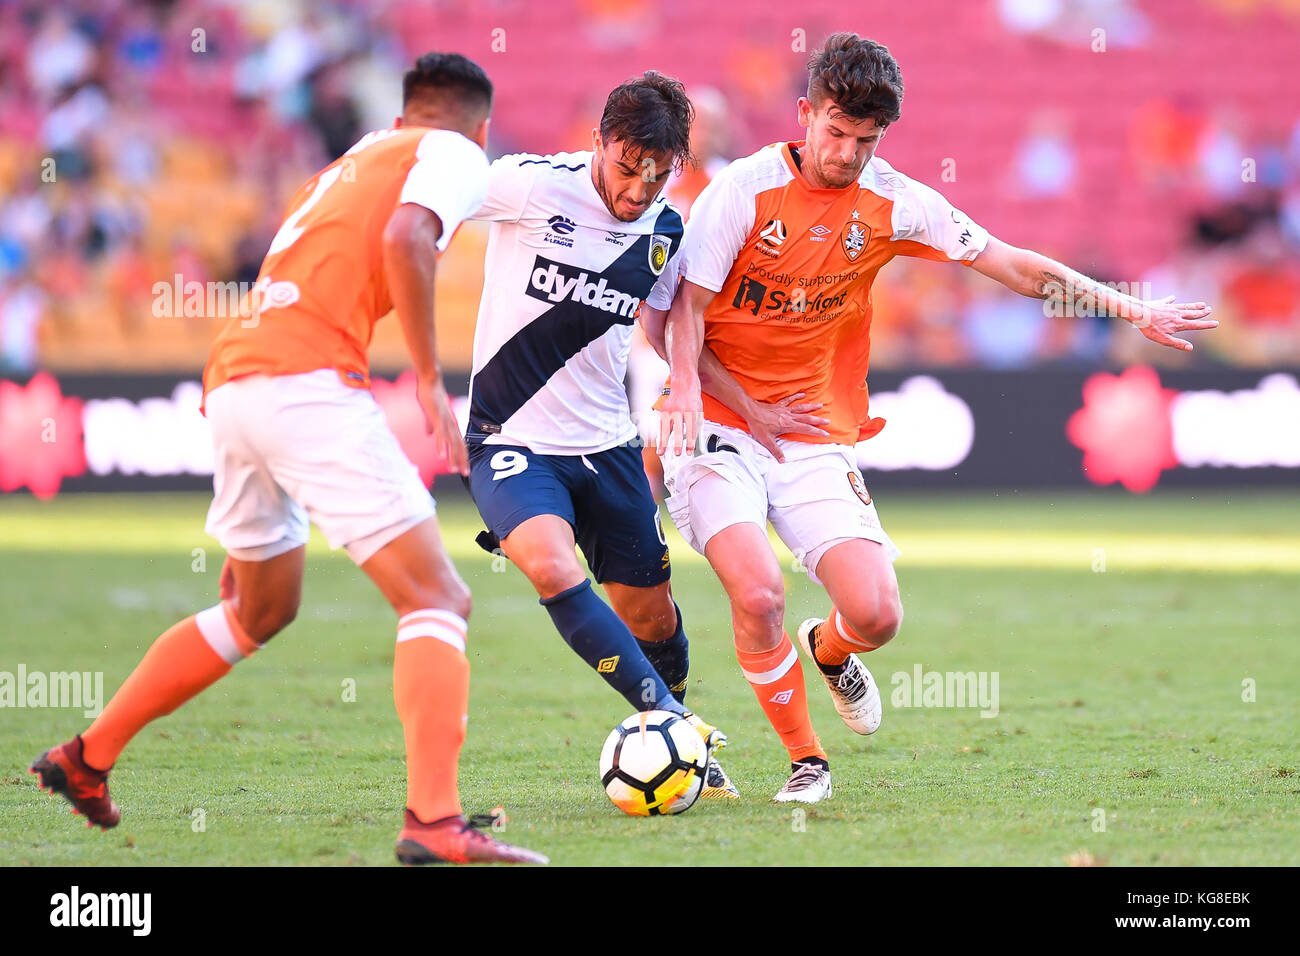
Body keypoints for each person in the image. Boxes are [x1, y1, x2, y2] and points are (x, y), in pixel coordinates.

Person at [652, 32, 1216, 803]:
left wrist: (1129, 308)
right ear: (805, 114)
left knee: (878, 616)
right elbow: (684, 309)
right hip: (716, 424)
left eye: (865, 140)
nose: (847, 154)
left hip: (809, 431)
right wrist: (692, 387)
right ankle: (806, 761)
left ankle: (830, 650)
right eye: (835, 133)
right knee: (756, 594)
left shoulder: (894, 200)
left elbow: (1016, 265)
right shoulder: (741, 193)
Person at [30, 53, 547, 865]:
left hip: (236, 380)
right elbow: (410, 235)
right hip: (307, 383)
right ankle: (434, 824)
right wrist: (423, 379)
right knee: (439, 597)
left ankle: (86, 759)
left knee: (256, 610)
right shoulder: (453, 153)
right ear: (477, 124)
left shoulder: (344, 166)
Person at [462, 72, 734, 795]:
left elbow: (672, 317)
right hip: (511, 439)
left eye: (658, 174)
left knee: (650, 612)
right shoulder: (527, 186)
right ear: (599, 142)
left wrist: (682, 381)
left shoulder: (668, 226)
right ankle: (677, 726)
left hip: (609, 446)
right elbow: (426, 203)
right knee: (554, 569)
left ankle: (680, 717)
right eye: (627, 168)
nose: (640, 190)